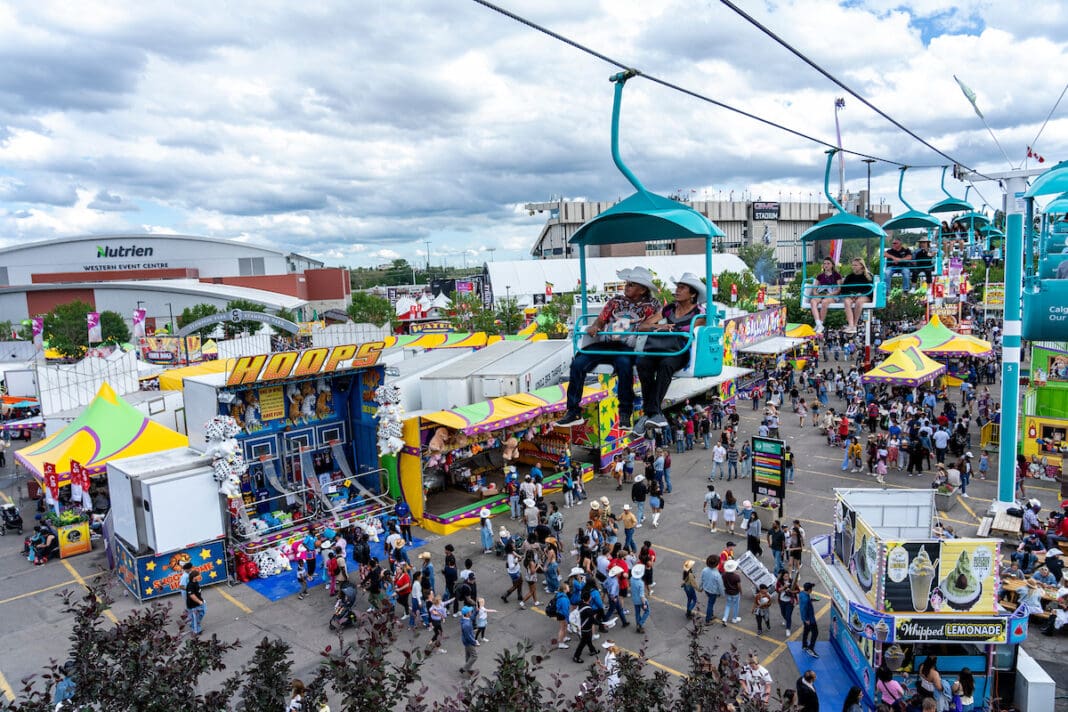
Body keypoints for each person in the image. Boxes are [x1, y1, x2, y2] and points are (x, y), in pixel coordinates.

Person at [559, 266, 661, 428]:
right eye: (626, 283)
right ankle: (573, 410)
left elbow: (653, 325)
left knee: (623, 364)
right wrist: (595, 327)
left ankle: (625, 412)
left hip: (632, 346)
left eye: (631, 284)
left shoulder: (653, 305)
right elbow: (601, 320)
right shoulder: (615, 301)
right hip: (607, 344)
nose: (626, 287)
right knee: (578, 362)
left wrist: (623, 328)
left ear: (642, 289)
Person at [635, 272, 707, 430]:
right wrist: (660, 326)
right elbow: (644, 326)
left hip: (680, 351)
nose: (677, 291)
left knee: (666, 365)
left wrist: (673, 330)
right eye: (677, 287)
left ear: (693, 293)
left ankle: (651, 412)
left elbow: (692, 332)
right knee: (642, 363)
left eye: (682, 288)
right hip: (661, 348)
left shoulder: (699, 314)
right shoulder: (669, 309)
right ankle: (654, 413)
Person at [840, 258, 874, 334]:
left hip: (865, 295)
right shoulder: (849, 277)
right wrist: (850, 294)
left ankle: (854, 325)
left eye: (856, 265)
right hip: (852, 295)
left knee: (859, 302)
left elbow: (871, 288)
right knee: (846, 301)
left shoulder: (869, 276)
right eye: (852, 265)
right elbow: (844, 289)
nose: (853, 267)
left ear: (861, 266)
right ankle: (851, 325)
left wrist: (861, 294)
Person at [809, 258, 842, 334]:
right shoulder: (820, 276)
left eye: (828, 263)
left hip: (832, 293)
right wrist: (815, 293)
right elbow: (815, 287)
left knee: (825, 302)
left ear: (832, 265)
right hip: (822, 292)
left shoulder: (837, 275)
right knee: (813, 301)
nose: (826, 265)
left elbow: (839, 289)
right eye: (824, 264)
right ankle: (818, 323)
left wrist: (832, 294)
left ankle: (821, 323)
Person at [700, 555, 724, 624]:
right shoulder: (717, 575)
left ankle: (711, 615)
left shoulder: (704, 570)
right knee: (710, 604)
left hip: (706, 589)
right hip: (713, 592)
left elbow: (702, 579)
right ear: (717, 564)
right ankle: (708, 619)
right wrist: (722, 594)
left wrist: (701, 587)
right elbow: (720, 586)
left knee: (711, 603)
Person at [799, 581, 819, 657]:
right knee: (815, 632)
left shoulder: (802, 593)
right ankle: (811, 648)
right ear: (809, 590)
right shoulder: (805, 599)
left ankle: (804, 645)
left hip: (806, 619)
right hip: (809, 619)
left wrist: (812, 600)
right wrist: (806, 619)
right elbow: (804, 609)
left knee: (806, 631)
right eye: (811, 588)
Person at [630, 563, 650, 633]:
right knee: (647, 611)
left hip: (635, 599)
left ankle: (638, 625)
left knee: (637, 612)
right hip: (640, 600)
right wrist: (644, 603)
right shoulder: (640, 583)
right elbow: (642, 595)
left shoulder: (631, 579)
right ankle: (640, 624)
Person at [185, 569, 205, 636]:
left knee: (201, 613)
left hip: (199, 603)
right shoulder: (190, 585)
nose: (199, 576)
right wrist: (199, 602)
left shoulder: (196, 582)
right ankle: (196, 631)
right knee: (196, 618)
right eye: (198, 575)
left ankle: (192, 624)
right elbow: (192, 595)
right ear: (194, 577)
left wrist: (202, 601)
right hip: (194, 606)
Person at [722, 559, 742, 624]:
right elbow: (739, 586)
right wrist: (741, 592)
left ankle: (725, 618)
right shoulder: (736, 577)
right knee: (736, 605)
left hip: (727, 592)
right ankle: (734, 618)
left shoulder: (724, 575)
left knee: (728, 605)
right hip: (735, 593)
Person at [459, 605, 478, 675]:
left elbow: (472, 617)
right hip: (469, 642)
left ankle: (469, 670)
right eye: (470, 611)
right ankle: (464, 669)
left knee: (468, 655)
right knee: (474, 656)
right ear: (467, 614)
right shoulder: (466, 625)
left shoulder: (465, 618)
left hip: (465, 641)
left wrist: (476, 611)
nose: (471, 612)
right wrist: (474, 642)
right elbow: (468, 636)